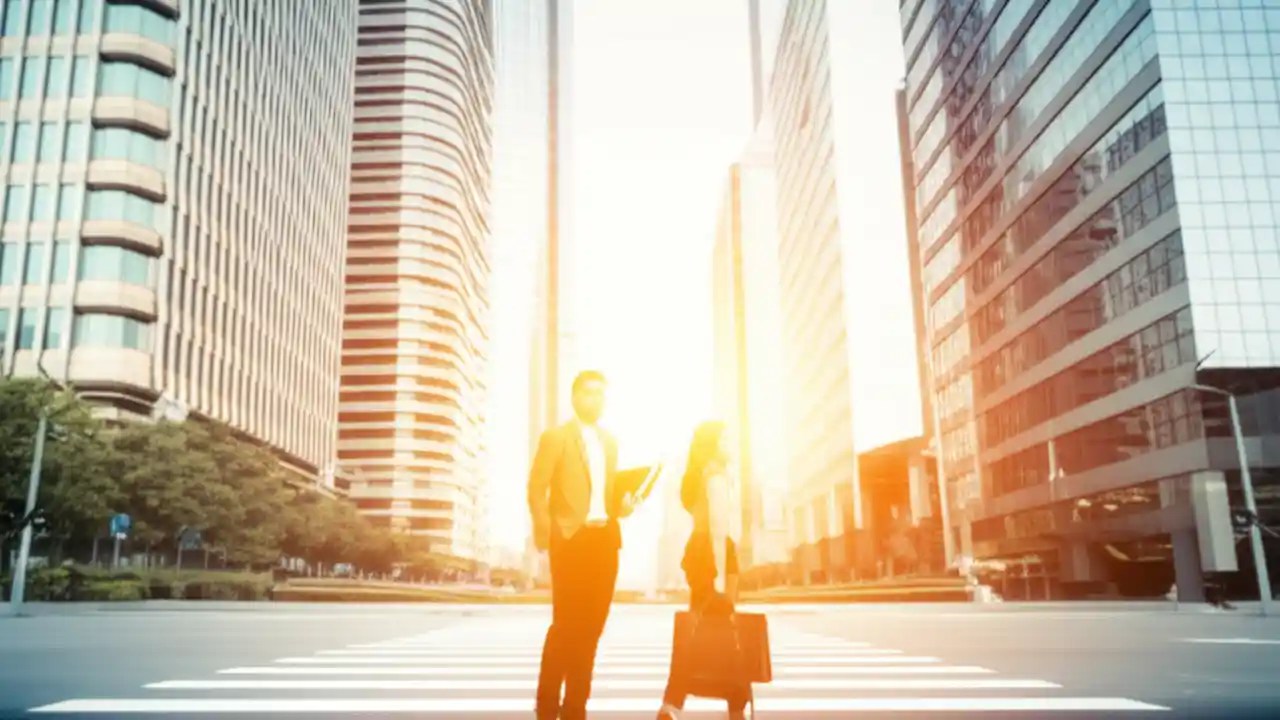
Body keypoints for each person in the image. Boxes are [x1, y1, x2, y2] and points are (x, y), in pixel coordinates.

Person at [528, 370, 638, 720]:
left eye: (601, 395)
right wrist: (548, 536)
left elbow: (608, 498)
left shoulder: (610, 442)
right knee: (566, 627)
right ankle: (546, 707)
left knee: (592, 628)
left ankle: (575, 708)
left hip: (605, 539)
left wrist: (625, 506)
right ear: (575, 396)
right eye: (589, 393)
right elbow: (535, 490)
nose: (596, 400)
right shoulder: (556, 437)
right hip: (571, 540)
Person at [658, 421, 749, 720]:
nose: (731, 445)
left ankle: (673, 703)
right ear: (713, 444)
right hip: (716, 556)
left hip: (699, 554)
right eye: (725, 440)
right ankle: (736, 706)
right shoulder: (716, 477)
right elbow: (719, 529)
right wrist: (722, 580)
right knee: (730, 634)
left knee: (695, 632)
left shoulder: (699, 476)